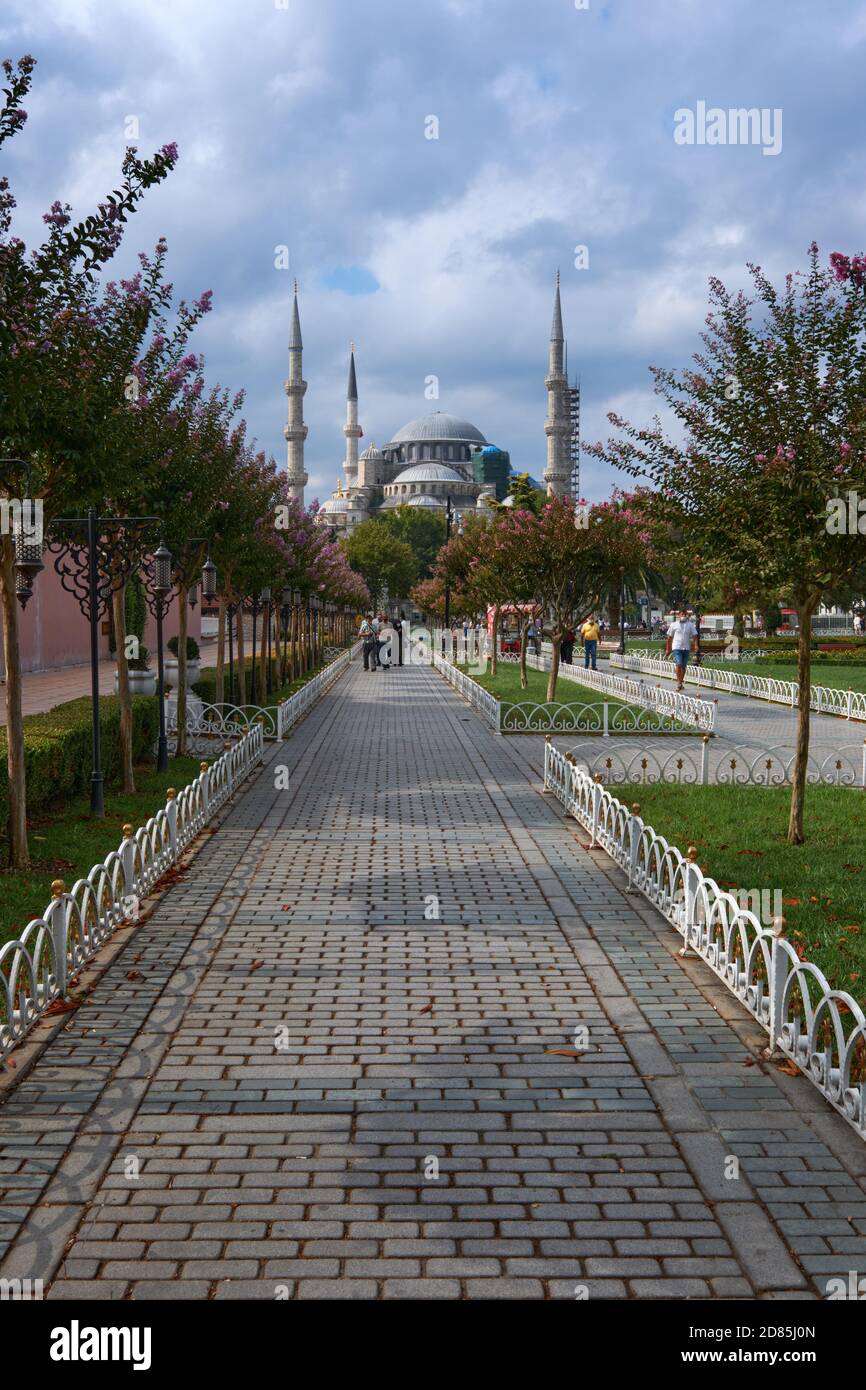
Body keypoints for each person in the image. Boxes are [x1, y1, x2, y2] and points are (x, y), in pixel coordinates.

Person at [665, 608, 698, 690]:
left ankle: (680, 682)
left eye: (685, 614)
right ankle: (679, 682)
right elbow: (669, 638)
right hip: (677, 647)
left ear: (687, 616)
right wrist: (668, 649)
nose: (683, 616)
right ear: (678, 615)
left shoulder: (690, 625)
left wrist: (696, 645)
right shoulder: (673, 625)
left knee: (683, 666)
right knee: (679, 664)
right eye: (682, 614)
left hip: (686, 648)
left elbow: (695, 636)